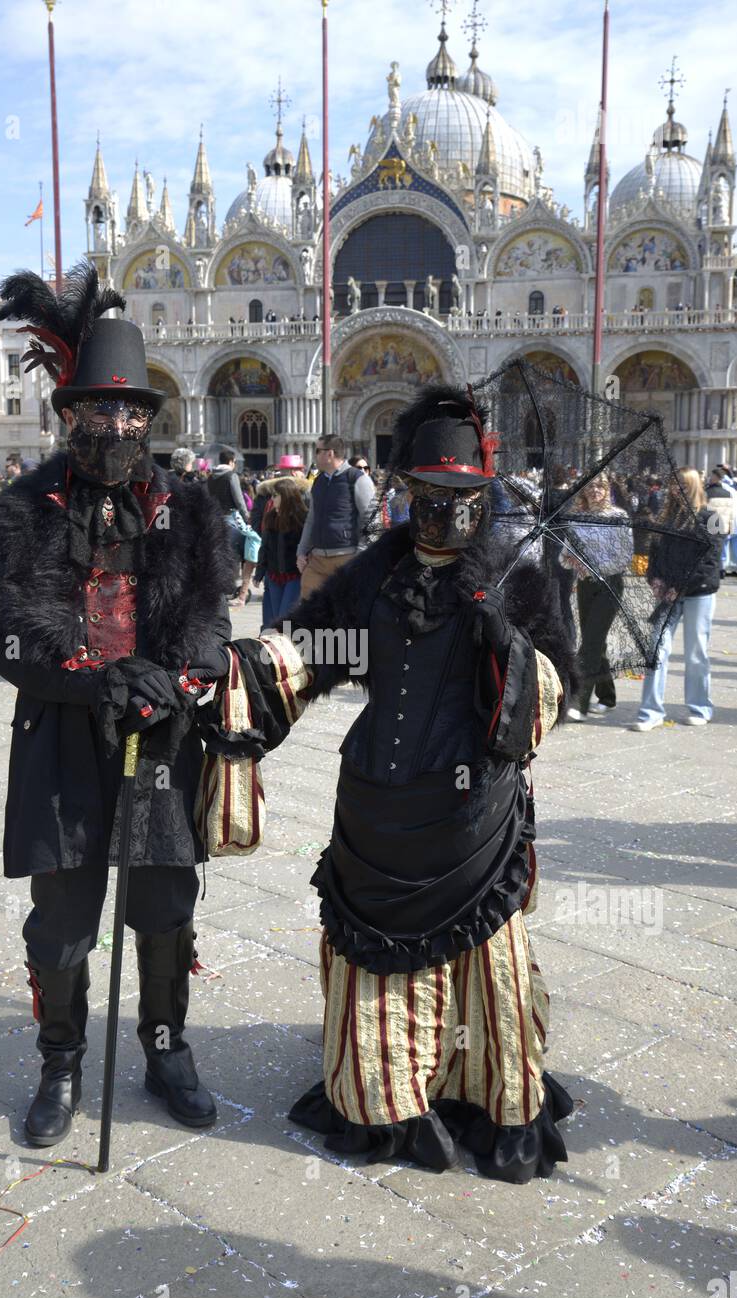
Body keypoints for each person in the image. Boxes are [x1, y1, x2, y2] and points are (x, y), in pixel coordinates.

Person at [0, 262, 234, 1148]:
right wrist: (91, 682)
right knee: (63, 926)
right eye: (96, 411)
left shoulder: (188, 508)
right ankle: (61, 1064)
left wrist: (177, 681)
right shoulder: (20, 514)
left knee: (164, 912)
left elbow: (210, 621)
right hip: (63, 742)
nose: (114, 426)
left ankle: (165, 1050)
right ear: (68, 415)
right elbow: (9, 644)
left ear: (148, 421)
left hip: (159, 741)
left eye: (129, 412)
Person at [280, 385, 576, 1184]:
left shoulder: (516, 574)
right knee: (375, 958)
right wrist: (238, 670)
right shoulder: (372, 574)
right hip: (375, 805)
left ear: (483, 495)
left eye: (461, 496)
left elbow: (557, 690)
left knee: (488, 959)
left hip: (471, 816)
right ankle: (386, 1095)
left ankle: (485, 1090)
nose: (444, 511)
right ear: (406, 492)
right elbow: (314, 650)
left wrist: (505, 642)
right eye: (428, 494)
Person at [629, 469, 722, 730]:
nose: (675, 489)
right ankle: (650, 711)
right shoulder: (665, 516)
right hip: (668, 593)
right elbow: (655, 552)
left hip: (698, 593)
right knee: (656, 649)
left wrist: (680, 586)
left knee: (696, 652)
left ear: (694, 485)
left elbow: (711, 560)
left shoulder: (712, 517)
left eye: (682, 484)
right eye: (673, 484)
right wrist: (654, 578)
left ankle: (700, 706)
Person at [560, 471, 633, 721]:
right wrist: (570, 560)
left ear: (607, 490)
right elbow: (564, 556)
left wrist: (595, 568)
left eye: (600, 486)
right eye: (590, 487)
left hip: (609, 585)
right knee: (596, 642)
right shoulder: (577, 518)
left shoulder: (618, 517)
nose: (594, 491)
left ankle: (579, 703)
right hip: (585, 586)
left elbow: (625, 556)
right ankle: (607, 696)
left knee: (589, 644)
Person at [296, 434, 376, 598]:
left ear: (330, 453)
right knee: (308, 606)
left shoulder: (357, 479)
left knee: (344, 609)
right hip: (317, 559)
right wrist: (301, 552)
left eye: (317, 451)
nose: (314, 455)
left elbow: (372, 520)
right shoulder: (318, 481)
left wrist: (360, 556)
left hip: (346, 558)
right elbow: (311, 520)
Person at [207, 449, 260, 606]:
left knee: (220, 551)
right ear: (231, 462)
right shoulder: (231, 476)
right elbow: (238, 499)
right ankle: (232, 586)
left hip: (215, 518)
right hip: (231, 518)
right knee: (242, 550)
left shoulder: (210, 477)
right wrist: (247, 516)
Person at [255, 478, 307, 628]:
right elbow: (265, 546)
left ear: (286, 495)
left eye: (275, 495)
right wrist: (260, 571)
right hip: (273, 575)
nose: (272, 499)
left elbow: (307, 546)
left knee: (285, 618)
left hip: (294, 575)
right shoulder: (271, 516)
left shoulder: (302, 517)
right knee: (273, 619)